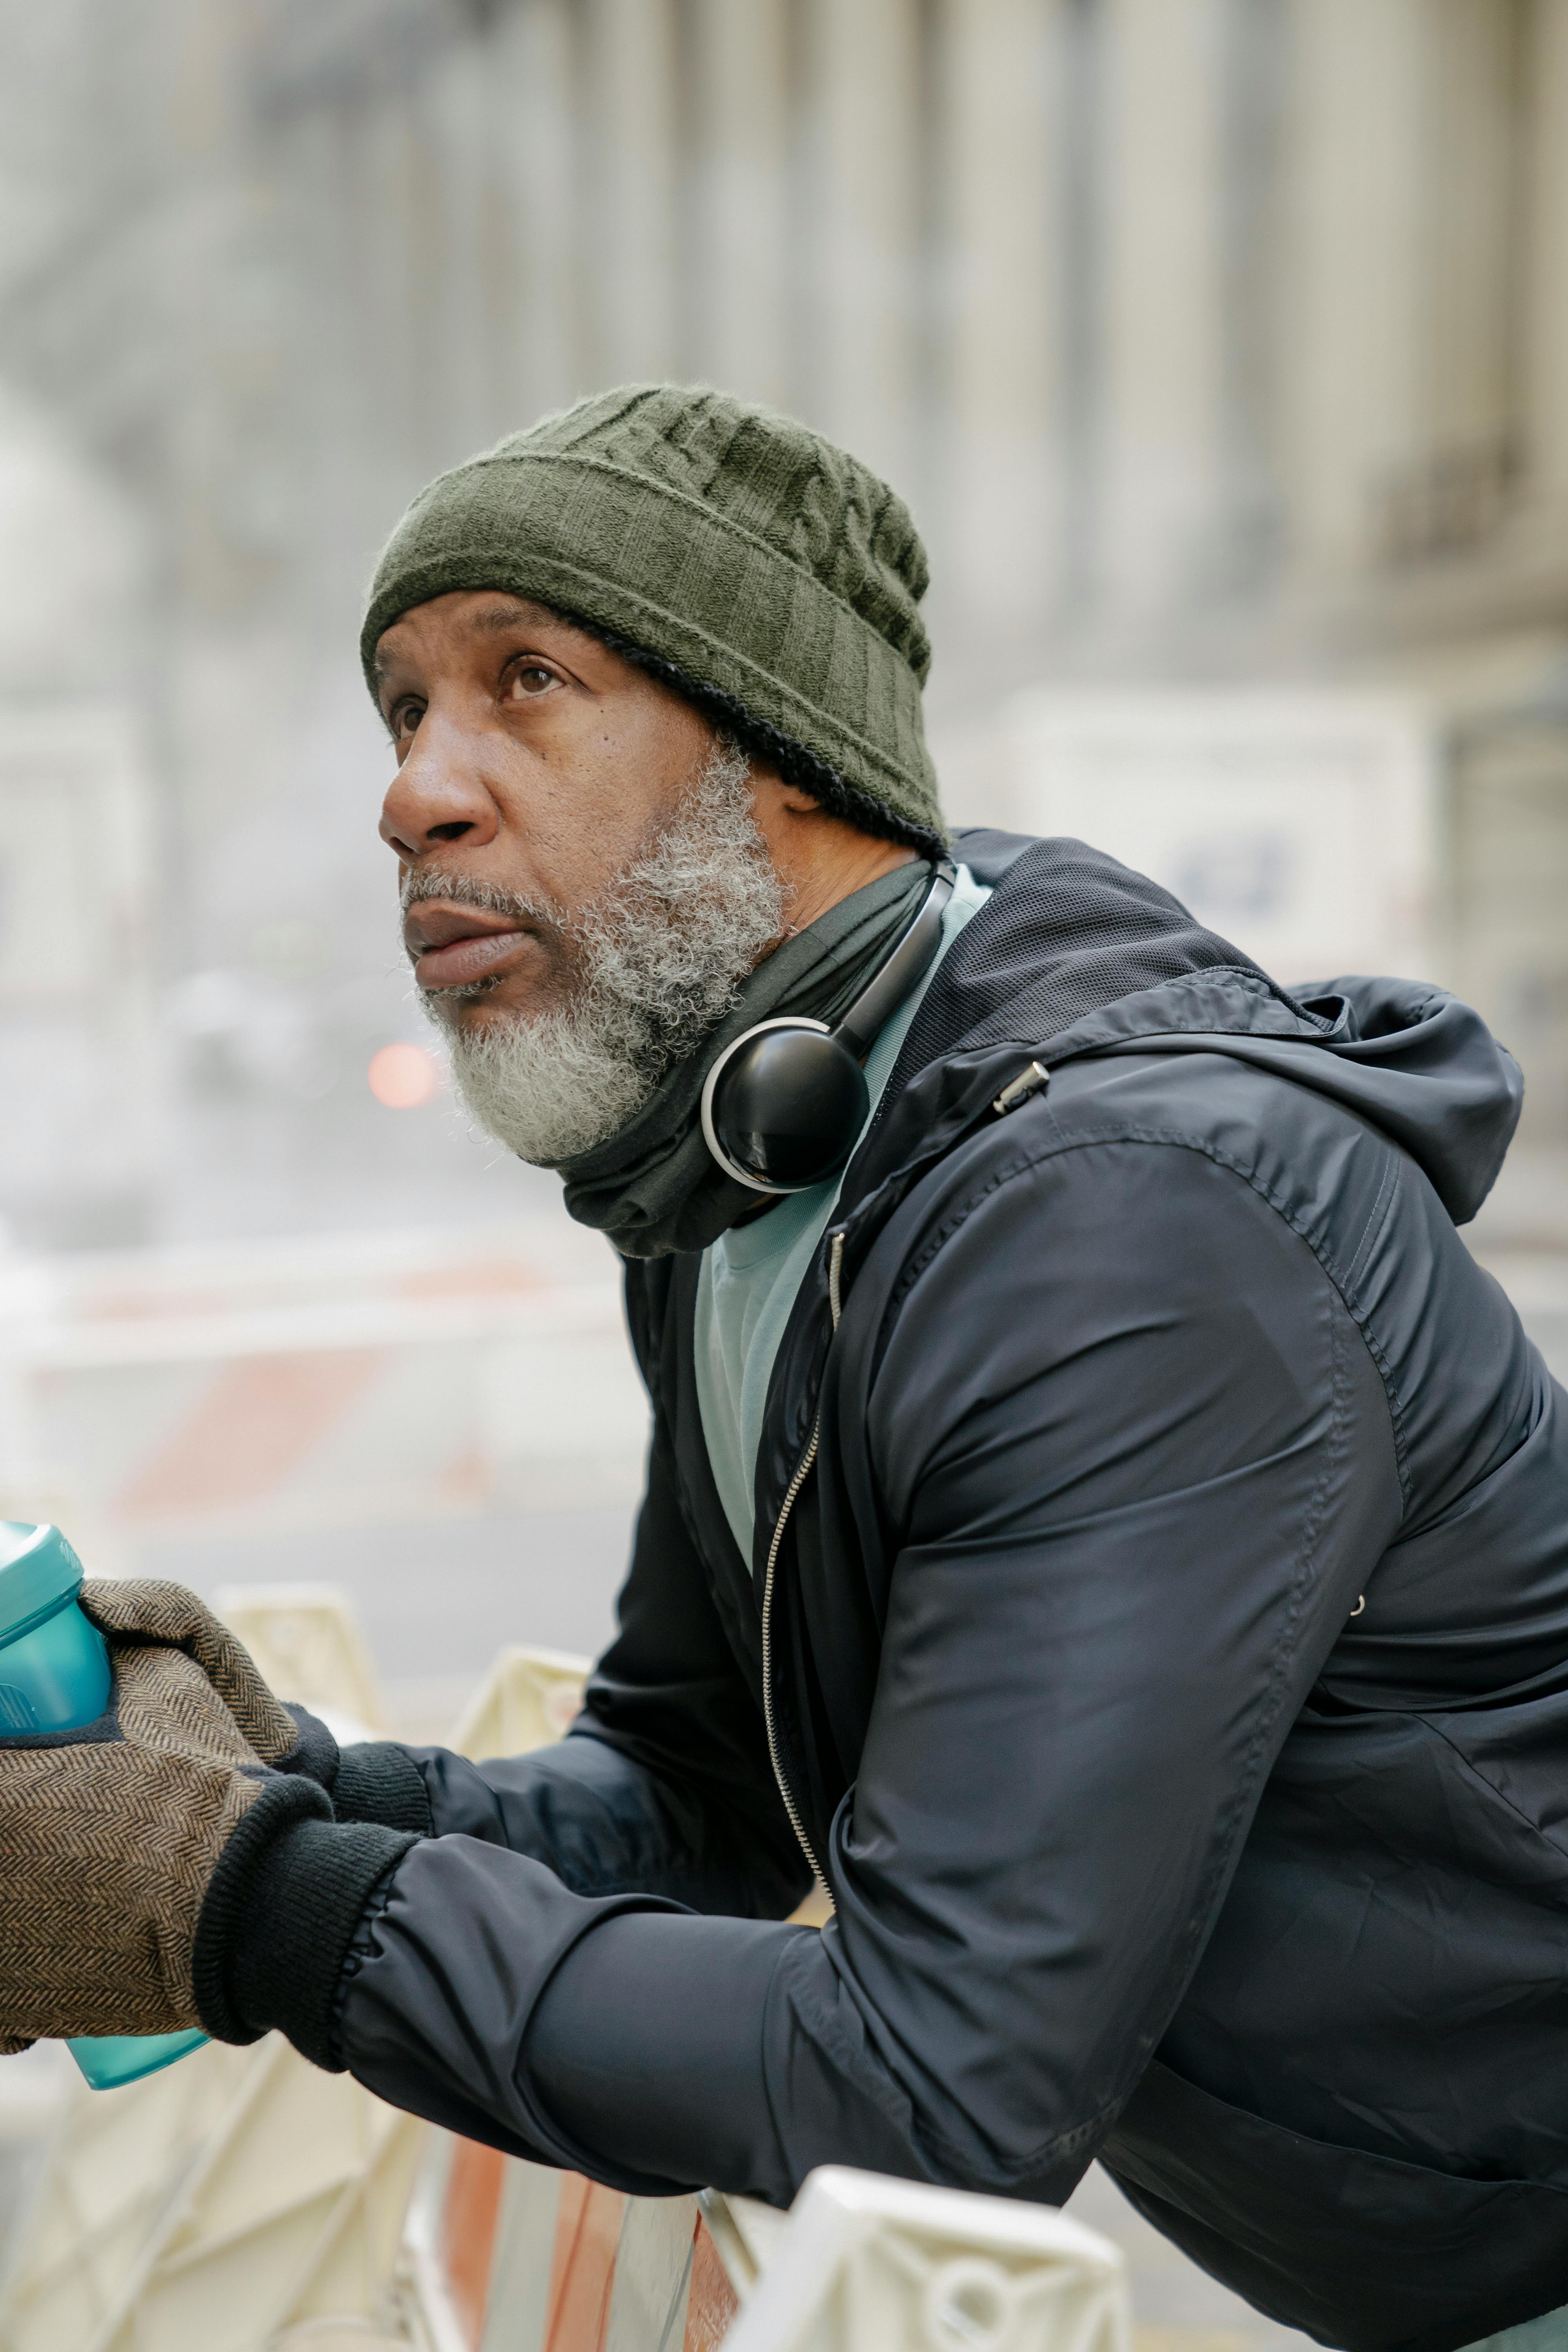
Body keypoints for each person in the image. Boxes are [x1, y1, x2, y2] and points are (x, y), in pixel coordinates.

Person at [4, 385, 1566, 2352]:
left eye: (528, 680)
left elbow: (931, 2090)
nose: (416, 790)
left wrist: (237, 1904)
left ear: (786, 757)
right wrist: (272, 1787)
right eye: (403, 707)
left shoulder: (1123, 1233)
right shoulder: (744, 1165)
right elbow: (696, 1797)